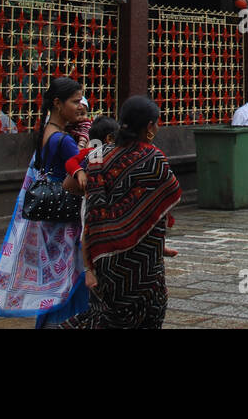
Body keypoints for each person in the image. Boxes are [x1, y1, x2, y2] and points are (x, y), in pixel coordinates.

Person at [62, 95, 183, 329]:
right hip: (143, 261)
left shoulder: (98, 155)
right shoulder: (152, 157)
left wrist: (95, 188)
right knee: (146, 314)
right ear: (149, 127)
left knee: (105, 314)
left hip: (102, 256)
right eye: (156, 123)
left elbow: (69, 185)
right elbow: (169, 195)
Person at [0, 77, 90, 328]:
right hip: (65, 218)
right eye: (74, 102)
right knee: (70, 279)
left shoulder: (47, 133)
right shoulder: (63, 140)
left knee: (54, 282)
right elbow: (81, 172)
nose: (80, 107)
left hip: (48, 217)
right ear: (58, 104)